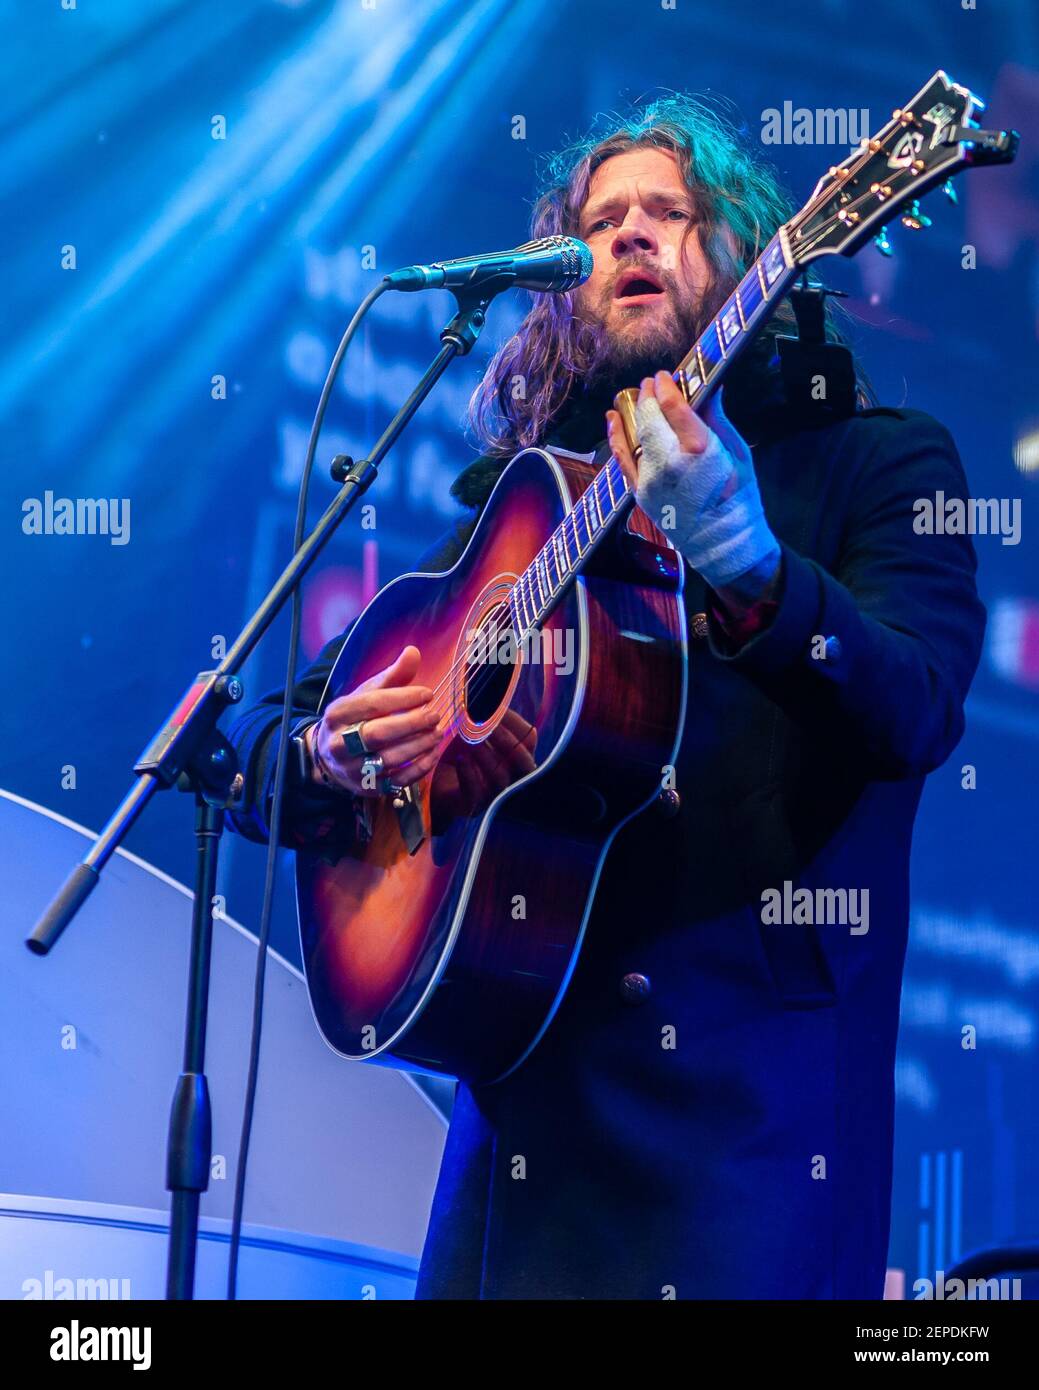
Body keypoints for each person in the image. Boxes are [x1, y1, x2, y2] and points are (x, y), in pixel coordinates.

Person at [225, 95, 985, 1299]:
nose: (630, 235)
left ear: (749, 250)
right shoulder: (518, 505)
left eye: (669, 214)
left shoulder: (874, 462)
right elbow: (262, 754)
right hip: (518, 1122)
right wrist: (332, 753)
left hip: (743, 1136)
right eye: (601, 220)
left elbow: (919, 707)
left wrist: (751, 564)